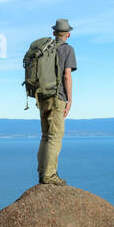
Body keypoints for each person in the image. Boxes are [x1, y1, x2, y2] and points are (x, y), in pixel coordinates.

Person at [38, 18, 77, 186]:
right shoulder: (67, 50)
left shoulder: (45, 49)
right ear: (68, 34)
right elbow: (67, 75)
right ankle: (50, 174)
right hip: (57, 97)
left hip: (42, 96)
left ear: (54, 33)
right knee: (55, 136)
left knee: (46, 136)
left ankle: (42, 172)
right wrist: (69, 100)